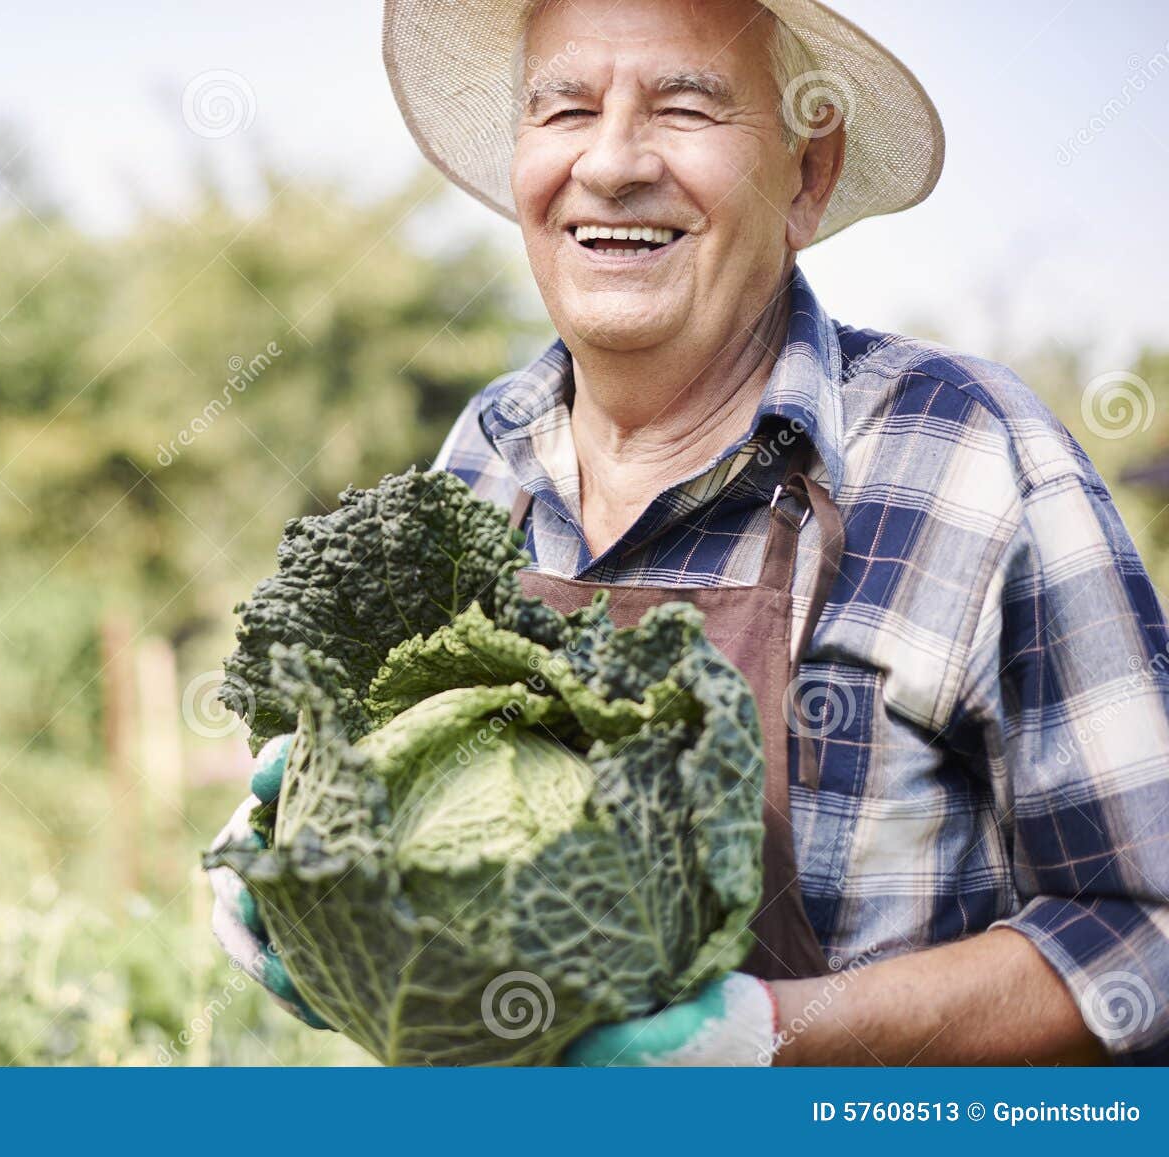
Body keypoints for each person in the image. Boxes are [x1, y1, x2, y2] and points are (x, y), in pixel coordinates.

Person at [210, 0, 1169, 1065]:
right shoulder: (484, 454)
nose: (612, 163)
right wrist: (304, 868)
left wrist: (776, 1038)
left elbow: (1147, 926)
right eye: (565, 110)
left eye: (684, 107)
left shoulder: (967, 455)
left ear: (807, 173)